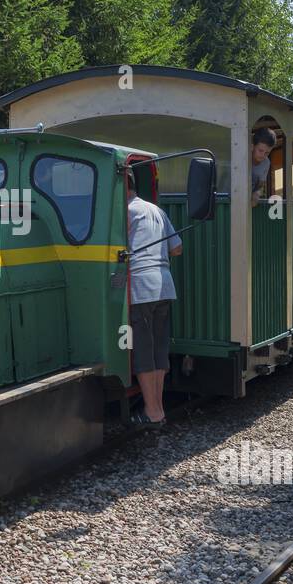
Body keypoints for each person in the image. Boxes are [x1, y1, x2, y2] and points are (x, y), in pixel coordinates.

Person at [126, 171, 181, 426]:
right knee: (159, 348)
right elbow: (177, 248)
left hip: (140, 287)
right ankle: (158, 408)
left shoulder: (125, 212)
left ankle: (152, 411)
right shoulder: (155, 210)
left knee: (143, 351)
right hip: (164, 285)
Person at [250, 127, 277, 207]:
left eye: (267, 153)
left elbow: (260, 186)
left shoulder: (266, 163)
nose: (263, 155)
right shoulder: (242, 156)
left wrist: (257, 193)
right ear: (252, 146)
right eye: (260, 151)